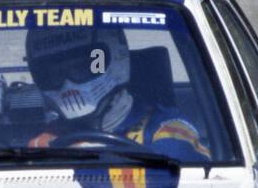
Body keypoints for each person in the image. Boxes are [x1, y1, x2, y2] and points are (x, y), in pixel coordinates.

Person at [24, 25, 211, 161]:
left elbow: (175, 157)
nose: (67, 82)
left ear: (115, 56)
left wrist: (83, 155)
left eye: (83, 66)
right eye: (54, 73)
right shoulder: (44, 138)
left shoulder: (169, 130)